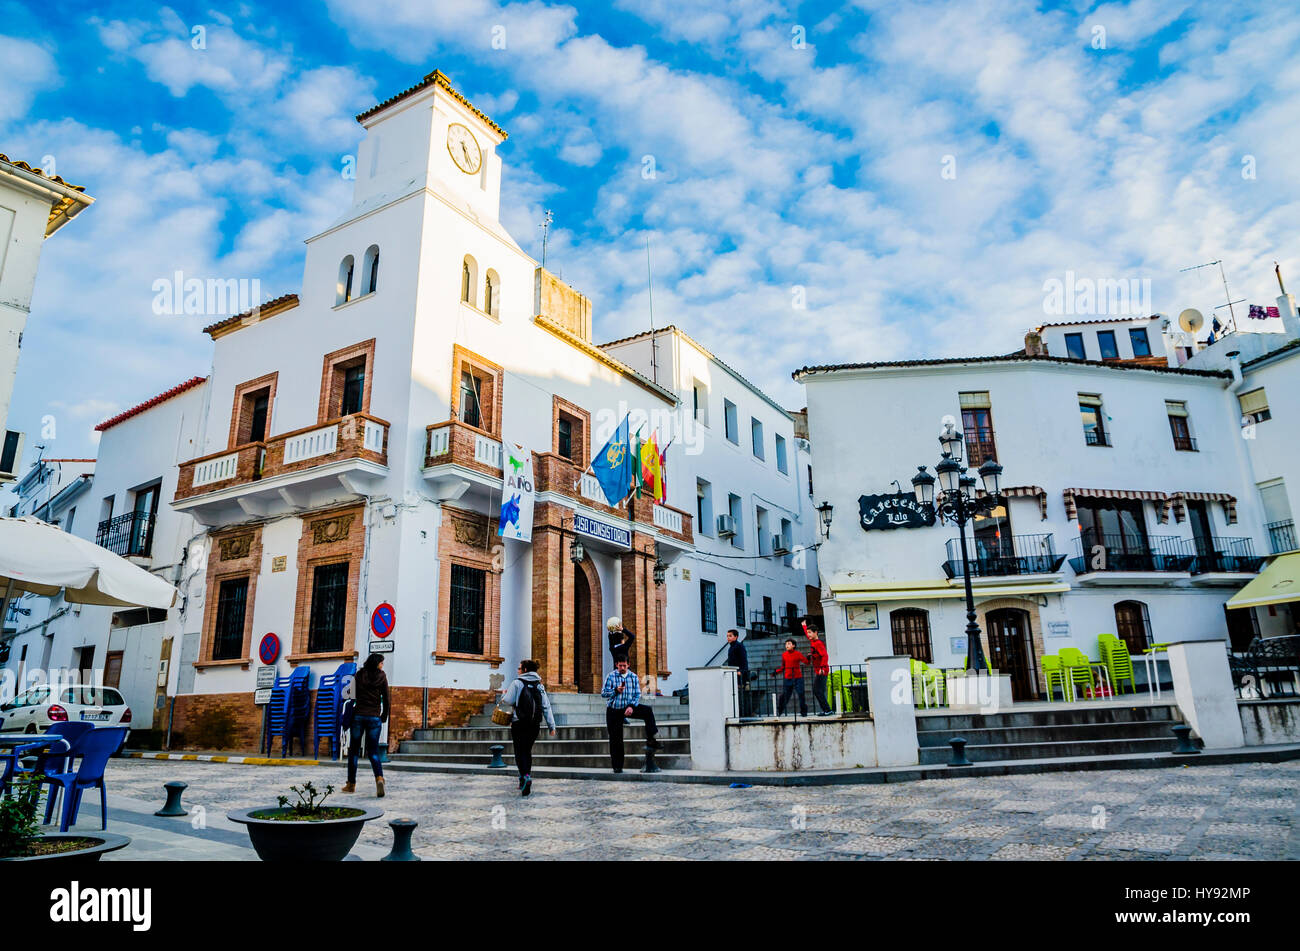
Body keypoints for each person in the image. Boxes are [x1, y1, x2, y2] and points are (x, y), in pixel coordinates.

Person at [497, 658, 556, 796]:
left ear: (524, 670)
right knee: (527, 751)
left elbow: (509, 700)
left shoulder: (517, 683)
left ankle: (524, 776)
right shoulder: (539, 685)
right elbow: (546, 706)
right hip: (534, 724)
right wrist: (551, 726)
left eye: (519, 668)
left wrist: (504, 694)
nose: (517, 670)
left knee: (519, 751)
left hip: (519, 723)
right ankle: (527, 775)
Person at [601, 657, 661, 773]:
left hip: (628, 707)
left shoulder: (633, 677)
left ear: (628, 664)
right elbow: (603, 694)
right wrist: (615, 691)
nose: (622, 668)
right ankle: (617, 766)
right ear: (616, 665)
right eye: (620, 666)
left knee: (647, 711)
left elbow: (637, 694)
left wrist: (631, 707)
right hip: (614, 710)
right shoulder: (611, 676)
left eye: (624, 665)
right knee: (615, 739)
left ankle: (652, 738)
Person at [343, 653, 389, 797]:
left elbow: (350, 694)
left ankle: (351, 784)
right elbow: (387, 698)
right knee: (373, 752)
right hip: (374, 717)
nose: (382, 665)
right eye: (381, 663)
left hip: (359, 716)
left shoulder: (359, 674)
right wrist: (384, 715)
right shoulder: (382, 676)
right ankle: (379, 778)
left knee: (354, 751)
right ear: (376, 663)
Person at [775, 637, 809, 717]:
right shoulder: (784, 655)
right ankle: (779, 711)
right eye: (786, 644)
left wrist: (808, 657)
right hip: (788, 678)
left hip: (798, 678)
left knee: (801, 694)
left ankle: (803, 711)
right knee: (784, 695)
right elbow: (783, 667)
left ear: (793, 645)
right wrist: (776, 672)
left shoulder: (797, 654)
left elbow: (806, 662)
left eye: (789, 644)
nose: (787, 645)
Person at [804, 621, 832, 716]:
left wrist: (822, 667)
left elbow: (825, 656)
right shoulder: (813, 641)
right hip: (819, 670)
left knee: (817, 690)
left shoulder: (818, 643)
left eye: (810, 632)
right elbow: (808, 636)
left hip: (822, 670)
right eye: (807, 633)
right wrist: (804, 626)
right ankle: (827, 710)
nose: (808, 635)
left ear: (816, 632)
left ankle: (827, 710)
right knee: (818, 691)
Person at [724, 629, 751, 715]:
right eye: (727, 636)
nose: (728, 638)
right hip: (734, 673)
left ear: (736, 637)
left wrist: (741, 671)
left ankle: (745, 713)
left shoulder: (739, 646)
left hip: (740, 674)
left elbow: (744, 660)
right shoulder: (731, 647)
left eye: (730, 636)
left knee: (741, 695)